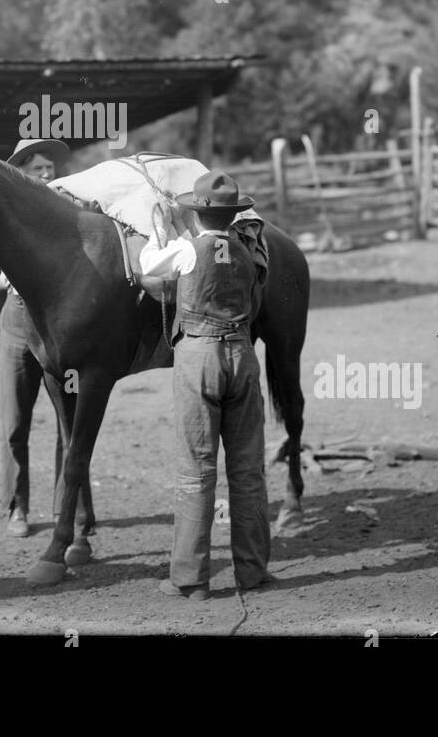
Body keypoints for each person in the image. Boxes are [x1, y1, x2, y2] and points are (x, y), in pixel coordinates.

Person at [139, 170, 273, 600]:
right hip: (243, 355)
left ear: (196, 215)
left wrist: (159, 227)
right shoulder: (249, 250)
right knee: (248, 469)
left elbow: (147, 267)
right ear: (234, 215)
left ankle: (192, 579)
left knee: (195, 469)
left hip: (199, 357)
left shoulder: (185, 250)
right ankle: (252, 572)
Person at [0, 137, 71, 537]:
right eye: (36, 169)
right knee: (15, 418)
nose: (45, 175)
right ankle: (17, 507)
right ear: (21, 174)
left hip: (60, 321)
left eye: (49, 168)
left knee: (68, 418)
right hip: (18, 317)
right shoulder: (10, 215)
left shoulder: (71, 207)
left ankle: (67, 505)